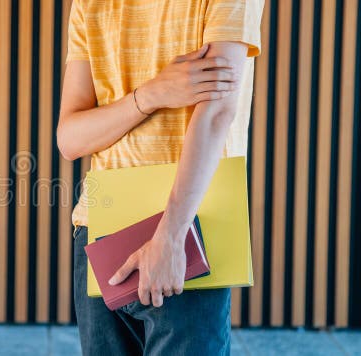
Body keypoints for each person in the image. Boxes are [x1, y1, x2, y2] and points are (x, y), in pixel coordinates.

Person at [56, 0, 262, 354]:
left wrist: (170, 235)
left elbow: (216, 113)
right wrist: (150, 96)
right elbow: (70, 138)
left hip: (186, 235)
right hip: (104, 232)